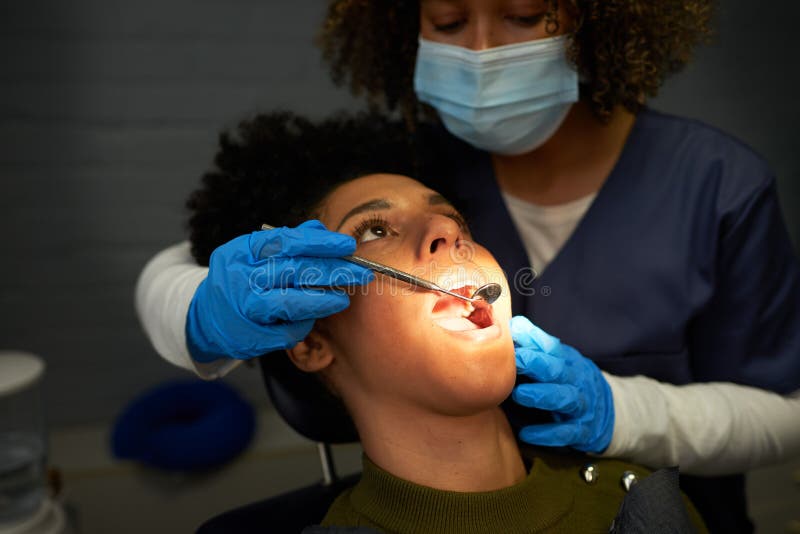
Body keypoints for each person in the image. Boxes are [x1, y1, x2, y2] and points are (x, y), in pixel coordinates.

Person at [135, 1, 800, 531]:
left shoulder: (717, 185)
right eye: (449, 22)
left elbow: (786, 412)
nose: (481, 50)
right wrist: (204, 311)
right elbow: (185, 262)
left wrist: (623, 413)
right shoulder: (421, 157)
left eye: (522, 14)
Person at [186, 110, 707, 533]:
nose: (445, 230)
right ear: (312, 341)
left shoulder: (641, 501)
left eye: (455, 220)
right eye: (372, 230)